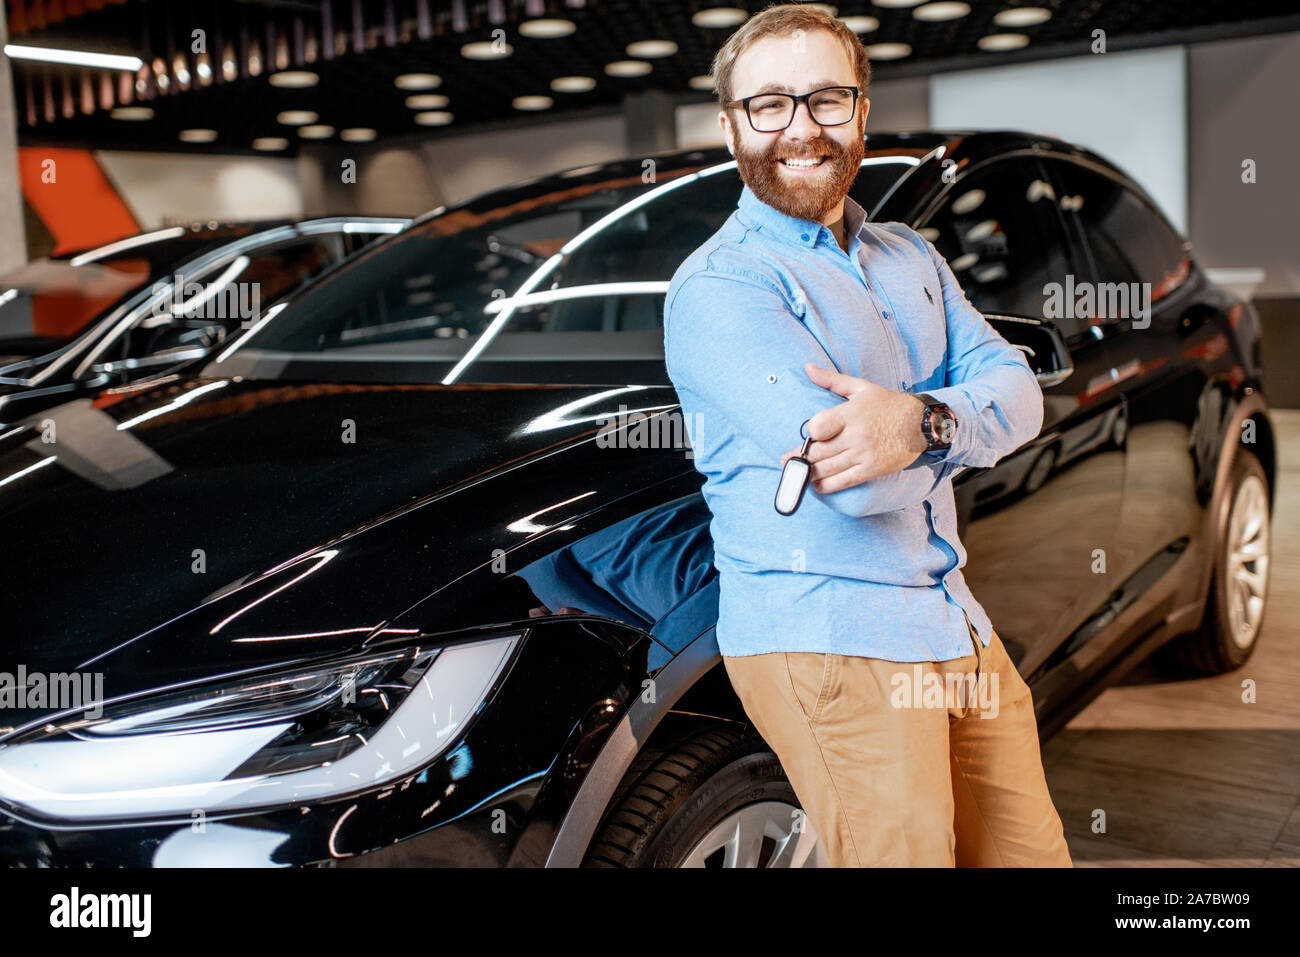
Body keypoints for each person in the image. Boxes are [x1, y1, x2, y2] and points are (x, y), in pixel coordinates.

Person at [662, 2, 1073, 867]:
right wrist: (961, 421)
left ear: (862, 112)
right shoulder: (722, 289)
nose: (800, 128)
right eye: (768, 104)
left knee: (1031, 857)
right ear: (731, 125)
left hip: (953, 619)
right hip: (830, 635)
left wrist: (917, 419)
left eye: (826, 99)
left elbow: (1021, 395)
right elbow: (862, 482)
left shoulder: (910, 257)